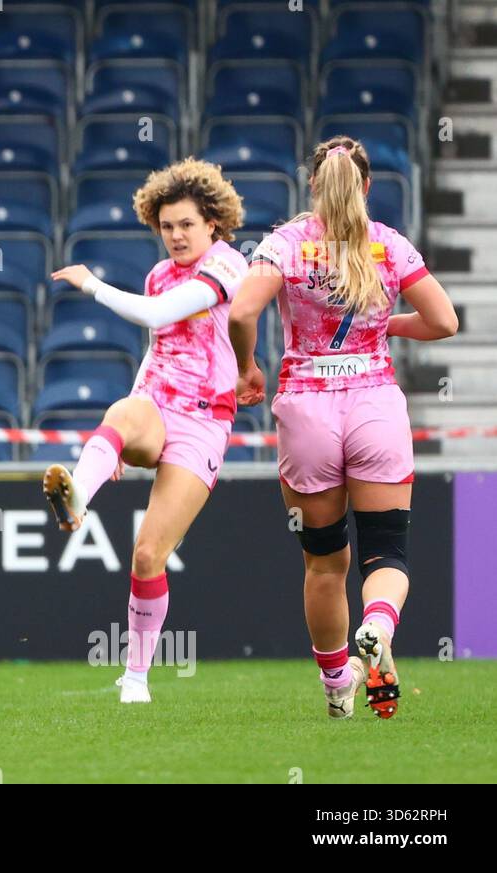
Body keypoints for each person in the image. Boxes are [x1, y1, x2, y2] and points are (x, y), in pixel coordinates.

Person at [228, 136, 458, 719]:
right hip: (375, 406)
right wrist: (388, 331)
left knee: (325, 563)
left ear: (313, 186)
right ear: (367, 188)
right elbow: (445, 321)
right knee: (386, 554)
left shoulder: (284, 245)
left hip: (307, 411)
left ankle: (337, 688)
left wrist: (247, 368)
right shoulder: (387, 244)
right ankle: (376, 630)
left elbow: (240, 312)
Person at [44, 158, 248, 703]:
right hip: (158, 404)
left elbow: (161, 312)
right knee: (120, 410)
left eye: (186, 224)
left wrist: (92, 286)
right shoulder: (159, 272)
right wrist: (129, 417)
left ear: (213, 224)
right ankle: (79, 495)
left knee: (146, 555)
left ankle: (136, 676)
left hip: (205, 420)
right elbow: (158, 346)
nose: (176, 235)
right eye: (167, 226)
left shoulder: (229, 266)